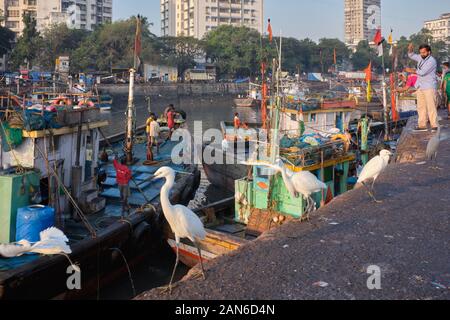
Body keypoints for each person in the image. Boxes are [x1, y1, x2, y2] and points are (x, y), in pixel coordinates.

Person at [406, 44, 439, 132]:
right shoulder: (421, 58)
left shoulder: (432, 61)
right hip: (420, 86)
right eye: (420, 53)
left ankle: (434, 125)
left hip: (429, 86)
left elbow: (422, 72)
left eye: (424, 52)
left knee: (431, 106)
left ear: (429, 52)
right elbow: (411, 55)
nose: (422, 54)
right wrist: (410, 49)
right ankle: (422, 125)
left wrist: (411, 70)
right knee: (421, 107)